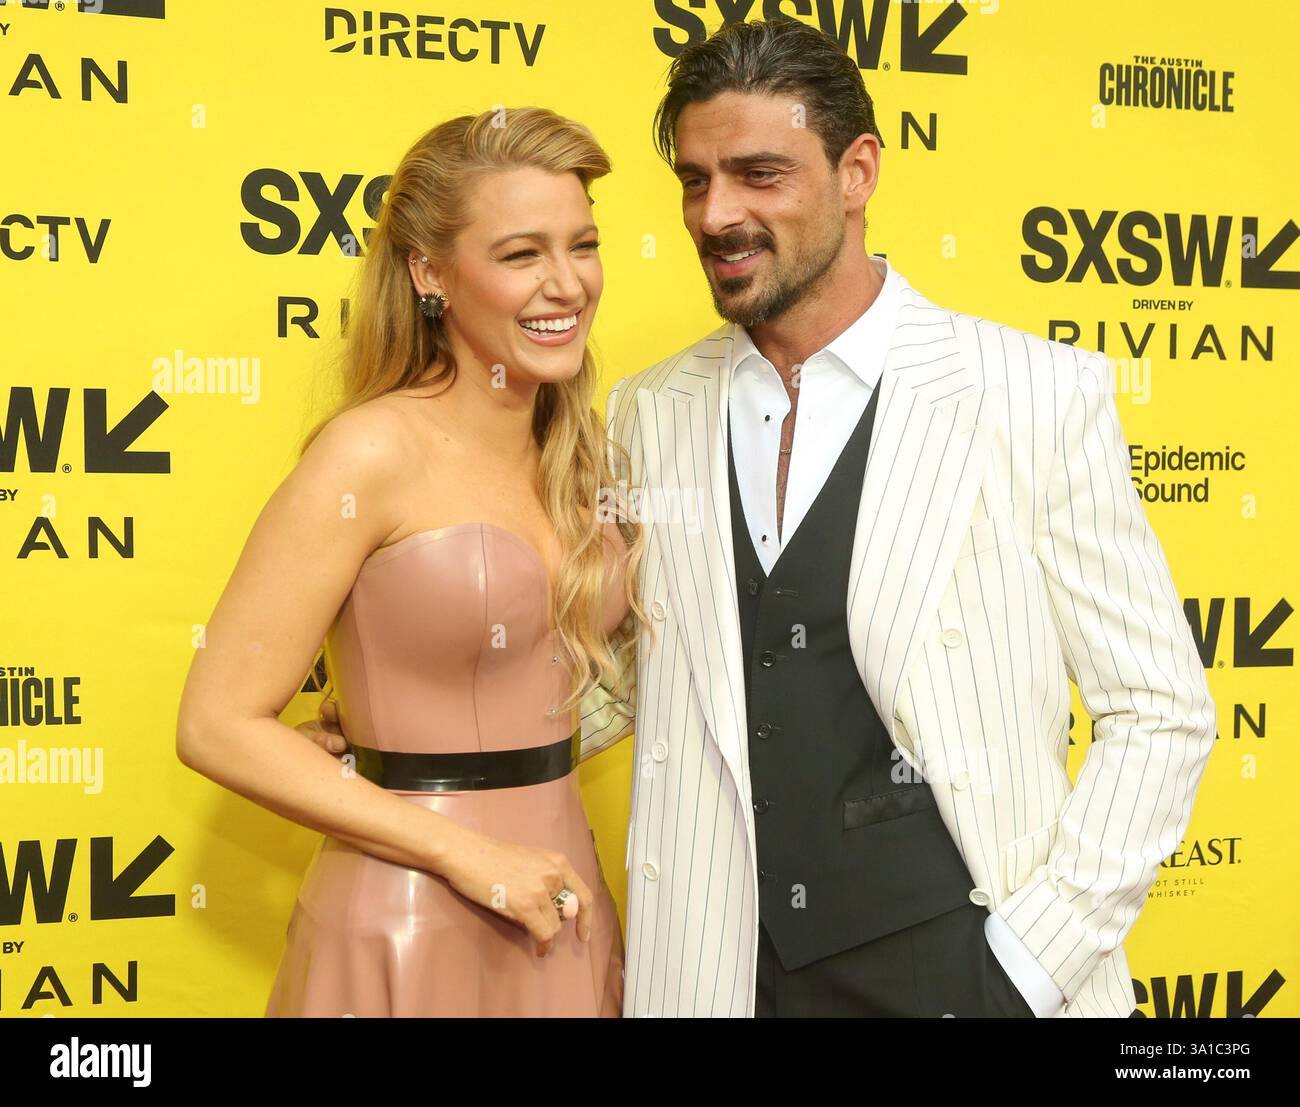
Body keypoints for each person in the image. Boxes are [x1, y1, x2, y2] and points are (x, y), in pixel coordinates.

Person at [308, 18, 1217, 1019]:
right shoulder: (651, 411)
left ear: (856, 170)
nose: (716, 214)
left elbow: (1158, 709)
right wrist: (434, 747)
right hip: (718, 969)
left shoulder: (1032, 394)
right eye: (695, 181)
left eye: (758, 174)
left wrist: (1031, 962)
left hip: (969, 965)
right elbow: (658, 674)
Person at [175, 106, 647, 1017]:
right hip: (402, 917)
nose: (566, 284)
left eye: (581, 245)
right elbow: (215, 722)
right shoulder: (369, 454)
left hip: (563, 901)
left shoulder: (584, 450)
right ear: (430, 273)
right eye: (520, 255)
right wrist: (462, 850)